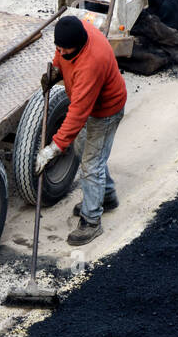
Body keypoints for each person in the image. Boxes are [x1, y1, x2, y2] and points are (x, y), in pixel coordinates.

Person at [34, 14, 128, 246]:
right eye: (59, 48)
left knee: (91, 165)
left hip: (105, 112)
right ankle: (105, 196)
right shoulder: (75, 32)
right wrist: (56, 69)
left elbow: (77, 113)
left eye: (66, 51)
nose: (62, 52)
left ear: (78, 45)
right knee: (82, 149)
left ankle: (91, 221)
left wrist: (53, 148)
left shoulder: (90, 64)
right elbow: (61, 51)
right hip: (92, 107)